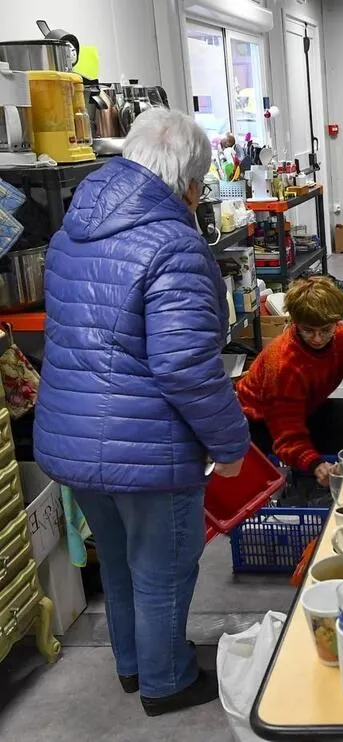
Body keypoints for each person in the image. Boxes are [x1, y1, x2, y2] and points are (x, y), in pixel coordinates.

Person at [33, 109, 249, 716]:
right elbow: (186, 366)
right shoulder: (173, 244)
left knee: (123, 564)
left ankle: (133, 664)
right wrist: (230, 444)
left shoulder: (73, 229)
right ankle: (167, 680)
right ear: (189, 183)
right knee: (163, 570)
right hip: (147, 446)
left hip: (73, 438)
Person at [236, 277, 343, 485]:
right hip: (262, 426)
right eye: (308, 330)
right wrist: (315, 464)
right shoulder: (284, 365)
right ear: (295, 322)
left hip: (306, 408)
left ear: (337, 322)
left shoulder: (341, 338)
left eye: (325, 329)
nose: (318, 338)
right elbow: (287, 434)